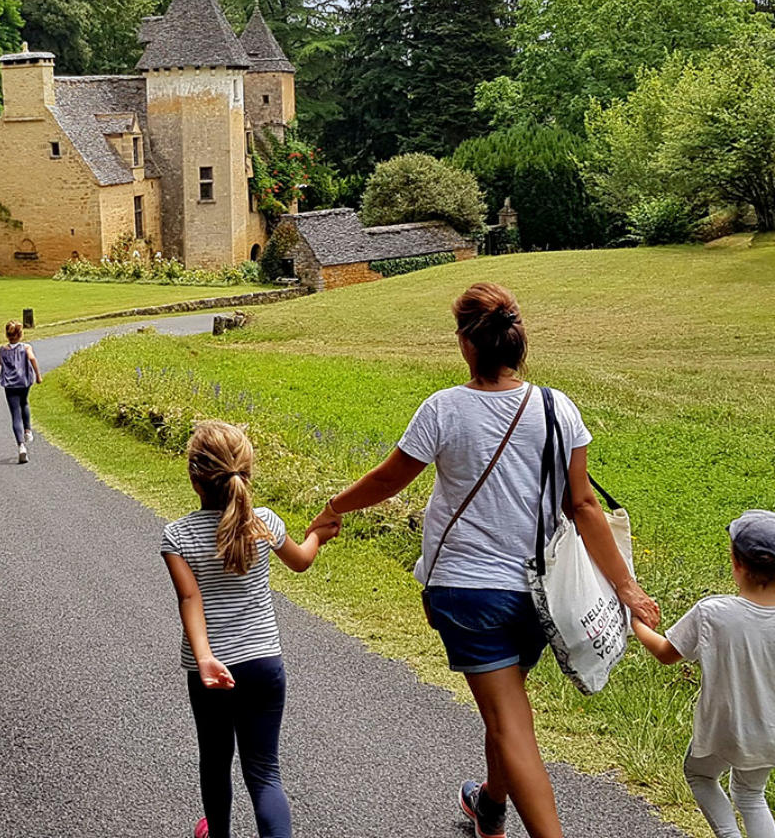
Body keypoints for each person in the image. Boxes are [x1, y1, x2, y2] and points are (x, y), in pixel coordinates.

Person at [309, 283, 659, 838]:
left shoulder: (444, 409)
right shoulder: (557, 408)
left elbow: (389, 479)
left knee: (510, 724)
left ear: (467, 343)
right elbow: (584, 505)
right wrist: (628, 588)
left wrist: (334, 507)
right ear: (516, 340)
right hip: (541, 596)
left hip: (469, 592)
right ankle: (490, 807)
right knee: (508, 711)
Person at [161, 419, 338, 838]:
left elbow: (190, 599)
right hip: (263, 665)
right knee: (264, 772)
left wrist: (206, 658)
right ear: (247, 473)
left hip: (211, 673)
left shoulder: (178, 537)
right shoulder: (265, 523)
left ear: (194, 478)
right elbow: (301, 561)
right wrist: (317, 535)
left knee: (215, 761)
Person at [631, 510, 775, 838]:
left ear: (736, 564)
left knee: (700, 774)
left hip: (725, 728)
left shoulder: (713, 612)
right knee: (751, 794)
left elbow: (666, 653)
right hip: (770, 733)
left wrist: (635, 623)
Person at [0, 320, 42, 464]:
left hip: (10, 384)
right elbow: (32, 358)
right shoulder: (26, 347)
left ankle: (21, 446)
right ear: (20, 334)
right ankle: (28, 430)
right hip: (24, 382)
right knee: (24, 403)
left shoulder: (2, 350)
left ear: (7, 335)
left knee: (15, 413)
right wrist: (38, 375)